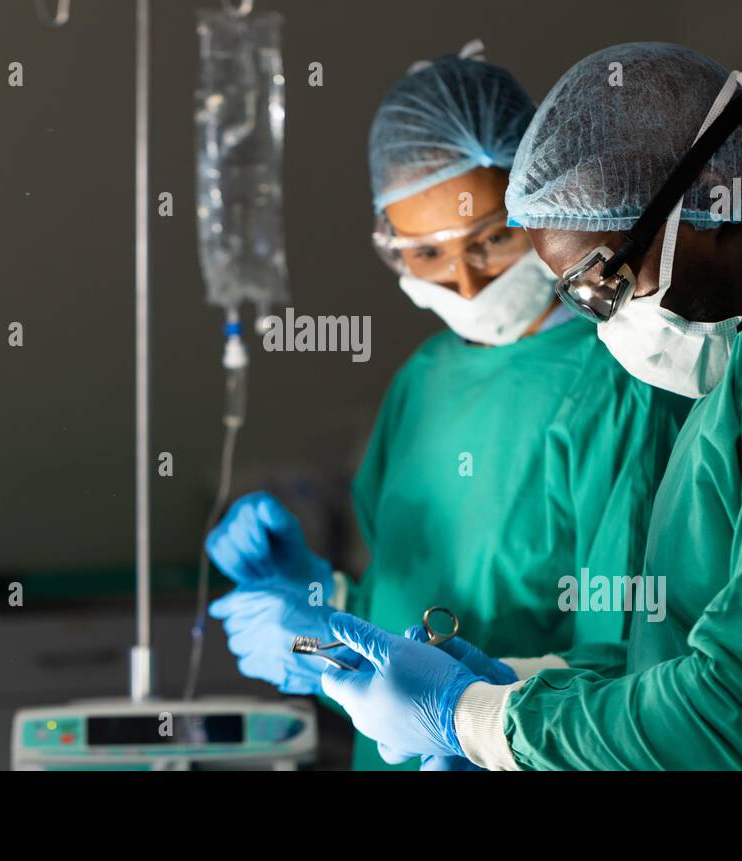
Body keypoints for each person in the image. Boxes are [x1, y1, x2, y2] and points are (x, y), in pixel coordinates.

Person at [318, 42, 742, 770]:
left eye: (605, 285)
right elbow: (680, 657)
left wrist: (477, 721)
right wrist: (518, 684)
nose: (607, 324)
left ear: (715, 196)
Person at [206, 43, 690, 770]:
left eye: (490, 239)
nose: (464, 284)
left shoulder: (623, 379)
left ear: (540, 203)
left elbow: (634, 666)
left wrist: (466, 710)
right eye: (426, 254)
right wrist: (319, 603)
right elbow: (403, 603)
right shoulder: (423, 380)